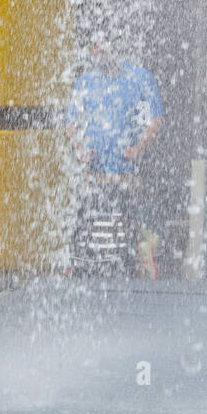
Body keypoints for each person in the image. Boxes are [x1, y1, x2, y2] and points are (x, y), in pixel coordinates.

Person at [69, 37, 165, 275]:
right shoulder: (85, 81)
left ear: (116, 45)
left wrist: (139, 147)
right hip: (93, 174)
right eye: (93, 46)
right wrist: (79, 149)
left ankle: (128, 272)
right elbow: (71, 123)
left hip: (126, 176)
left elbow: (156, 118)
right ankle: (84, 271)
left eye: (103, 44)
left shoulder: (140, 78)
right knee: (88, 236)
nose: (98, 50)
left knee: (124, 237)